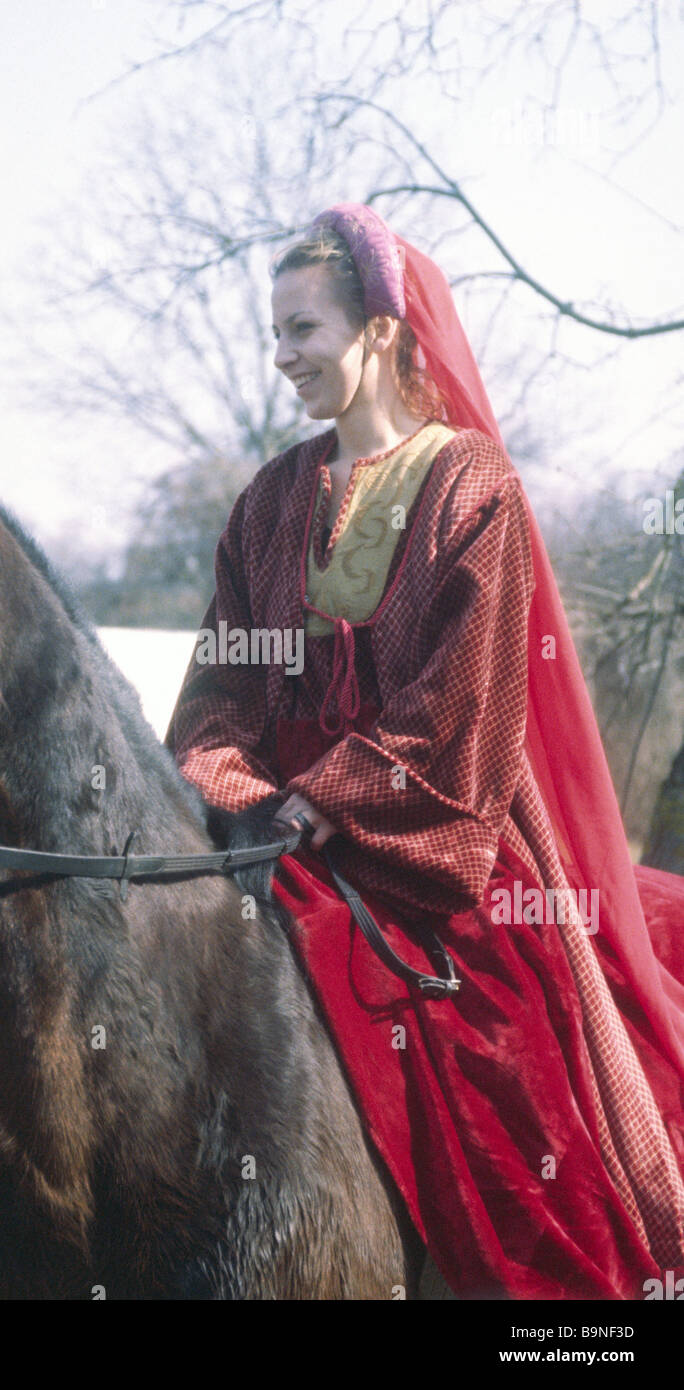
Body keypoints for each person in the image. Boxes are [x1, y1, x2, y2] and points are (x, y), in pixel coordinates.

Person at [166, 202, 684, 1299]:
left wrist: (317, 806)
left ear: (382, 334)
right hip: (263, 830)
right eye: (277, 332)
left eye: (302, 330)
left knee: (516, 1096)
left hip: (425, 836)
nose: (282, 356)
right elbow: (216, 689)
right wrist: (232, 793)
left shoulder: (473, 489)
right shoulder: (266, 504)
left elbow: (459, 710)